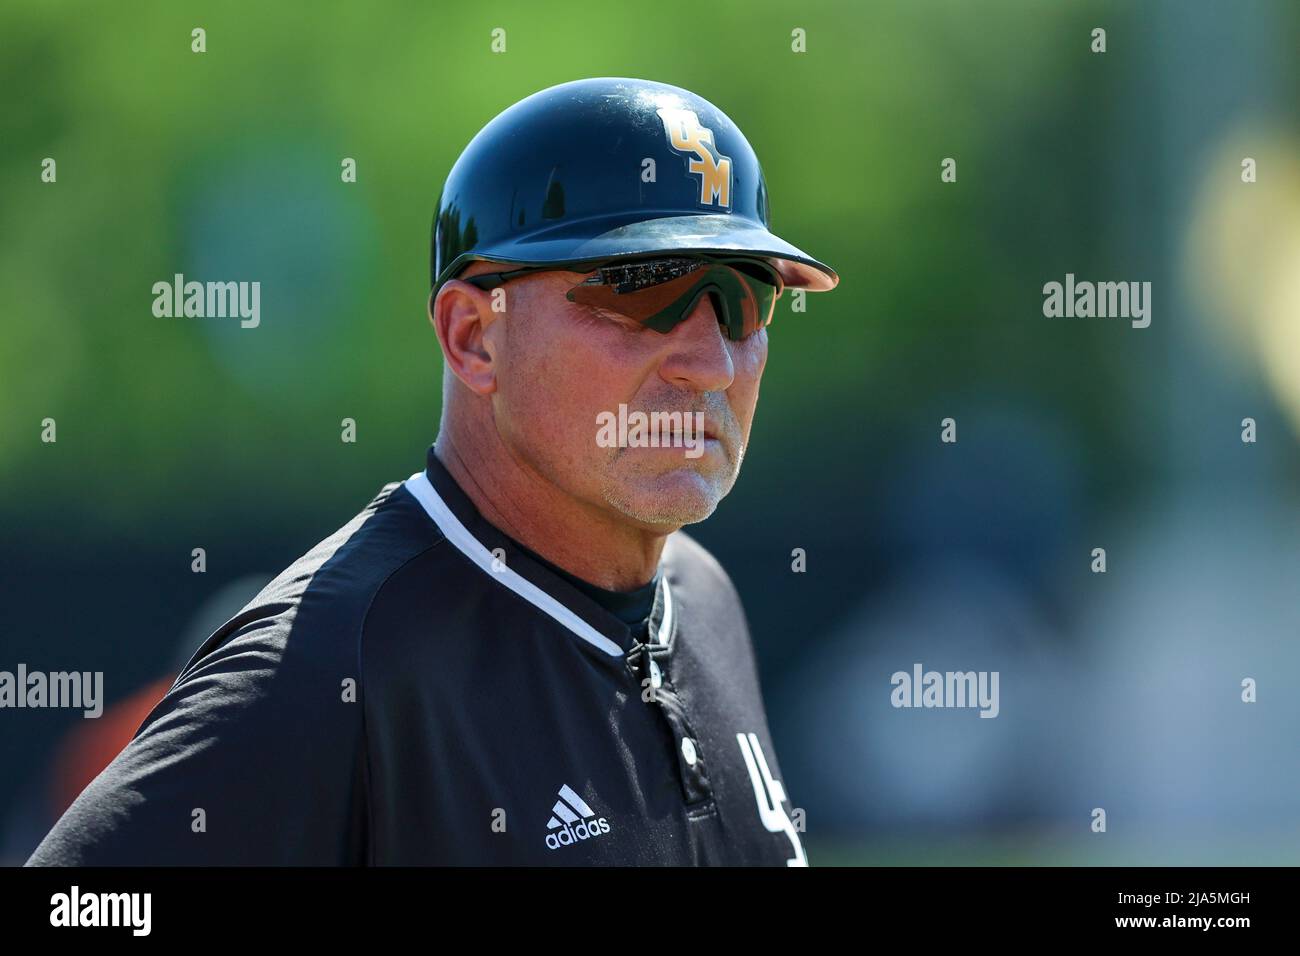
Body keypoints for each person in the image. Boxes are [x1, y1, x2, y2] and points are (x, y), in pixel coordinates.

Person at [27, 76, 838, 866]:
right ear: (473, 337)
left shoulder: (702, 600)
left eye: (742, 297)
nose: (710, 361)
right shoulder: (326, 667)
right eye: (641, 290)